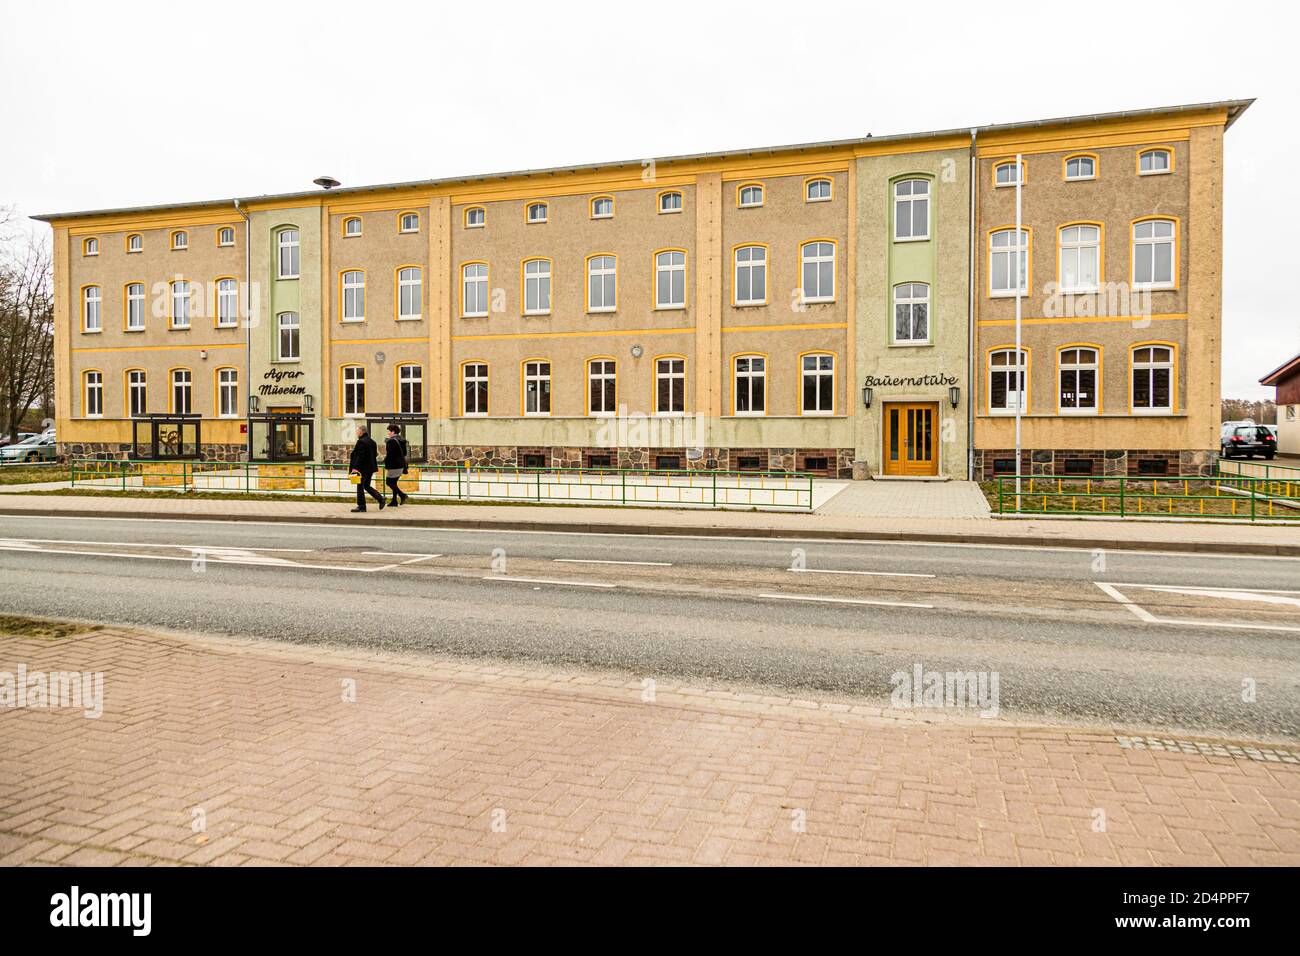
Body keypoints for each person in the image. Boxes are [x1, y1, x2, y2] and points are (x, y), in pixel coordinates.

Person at [348, 425, 384, 512]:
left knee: (360, 486)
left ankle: (361, 506)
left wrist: (355, 468)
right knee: (366, 485)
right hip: (370, 468)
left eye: (357, 431)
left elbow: (360, 456)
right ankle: (380, 499)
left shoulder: (361, 442)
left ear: (361, 432)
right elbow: (375, 454)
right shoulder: (372, 442)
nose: (356, 433)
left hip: (362, 469)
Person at [383, 424, 410, 507]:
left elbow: (390, 454)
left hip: (393, 465)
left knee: (389, 482)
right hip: (401, 465)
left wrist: (385, 461)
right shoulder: (402, 440)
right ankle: (394, 501)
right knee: (394, 483)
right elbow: (405, 453)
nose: (388, 433)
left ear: (393, 431)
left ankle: (402, 495)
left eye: (389, 431)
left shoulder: (391, 441)